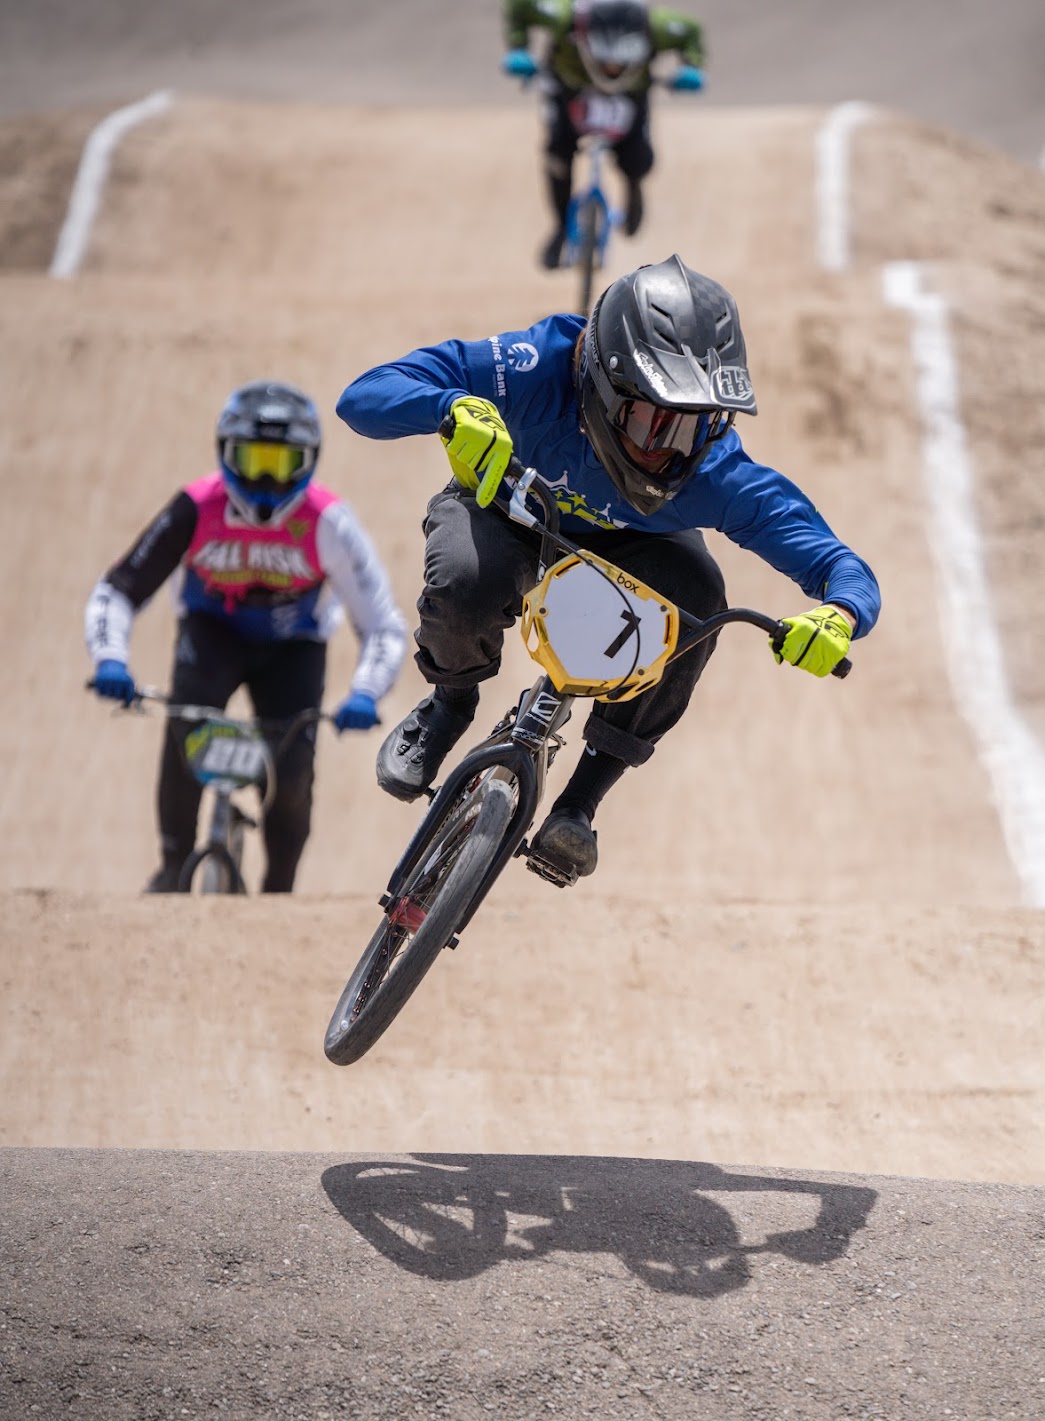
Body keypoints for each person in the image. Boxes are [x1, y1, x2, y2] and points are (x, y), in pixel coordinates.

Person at [335, 256, 880, 885]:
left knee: (700, 602)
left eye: (696, 424)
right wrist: (450, 406)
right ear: (600, 379)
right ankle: (449, 706)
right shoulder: (532, 367)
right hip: (506, 511)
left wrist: (838, 615)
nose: (671, 451)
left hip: (630, 554)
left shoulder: (715, 471)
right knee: (465, 581)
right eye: (652, 420)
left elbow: (841, 567)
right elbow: (362, 397)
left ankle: (580, 804)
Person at [85, 380, 407, 893]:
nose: (265, 481)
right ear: (225, 454)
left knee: (292, 771)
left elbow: (383, 624)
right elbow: (120, 589)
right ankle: (172, 868)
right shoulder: (196, 506)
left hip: (294, 649)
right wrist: (110, 659)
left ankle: (278, 891)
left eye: (281, 464)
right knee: (185, 735)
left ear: (309, 462)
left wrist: (366, 692)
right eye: (253, 460)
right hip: (212, 634)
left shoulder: (330, 521)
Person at [501, 0, 707, 269]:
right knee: (557, 155)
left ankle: (634, 186)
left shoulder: (657, 26)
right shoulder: (562, 17)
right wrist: (518, 48)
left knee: (637, 157)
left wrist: (692, 65)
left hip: (629, 94)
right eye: (605, 58)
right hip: (569, 88)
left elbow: (691, 33)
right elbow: (520, 6)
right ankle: (561, 227)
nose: (612, 66)